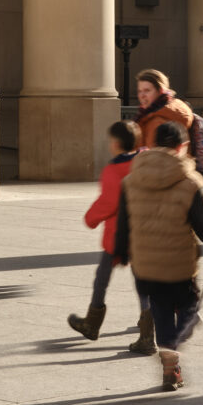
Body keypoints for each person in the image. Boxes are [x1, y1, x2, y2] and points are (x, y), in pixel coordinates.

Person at [112, 119, 203, 392]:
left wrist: (121, 250)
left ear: (150, 146)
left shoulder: (130, 179)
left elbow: (124, 221)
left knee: (160, 310)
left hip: (144, 263)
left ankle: (169, 367)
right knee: (189, 306)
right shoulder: (189, 180)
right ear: (183, 146)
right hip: (179, 263)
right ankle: (173, 348)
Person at [67, 120, 135, 340]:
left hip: (117, 236)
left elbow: (109, 201)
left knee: (102, 278)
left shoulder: (113, 170)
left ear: (115, 143)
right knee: (143, 283)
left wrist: (90, 218)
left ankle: (92, 323)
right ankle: (147, 330)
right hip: (143, 233)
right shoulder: (144, 161)